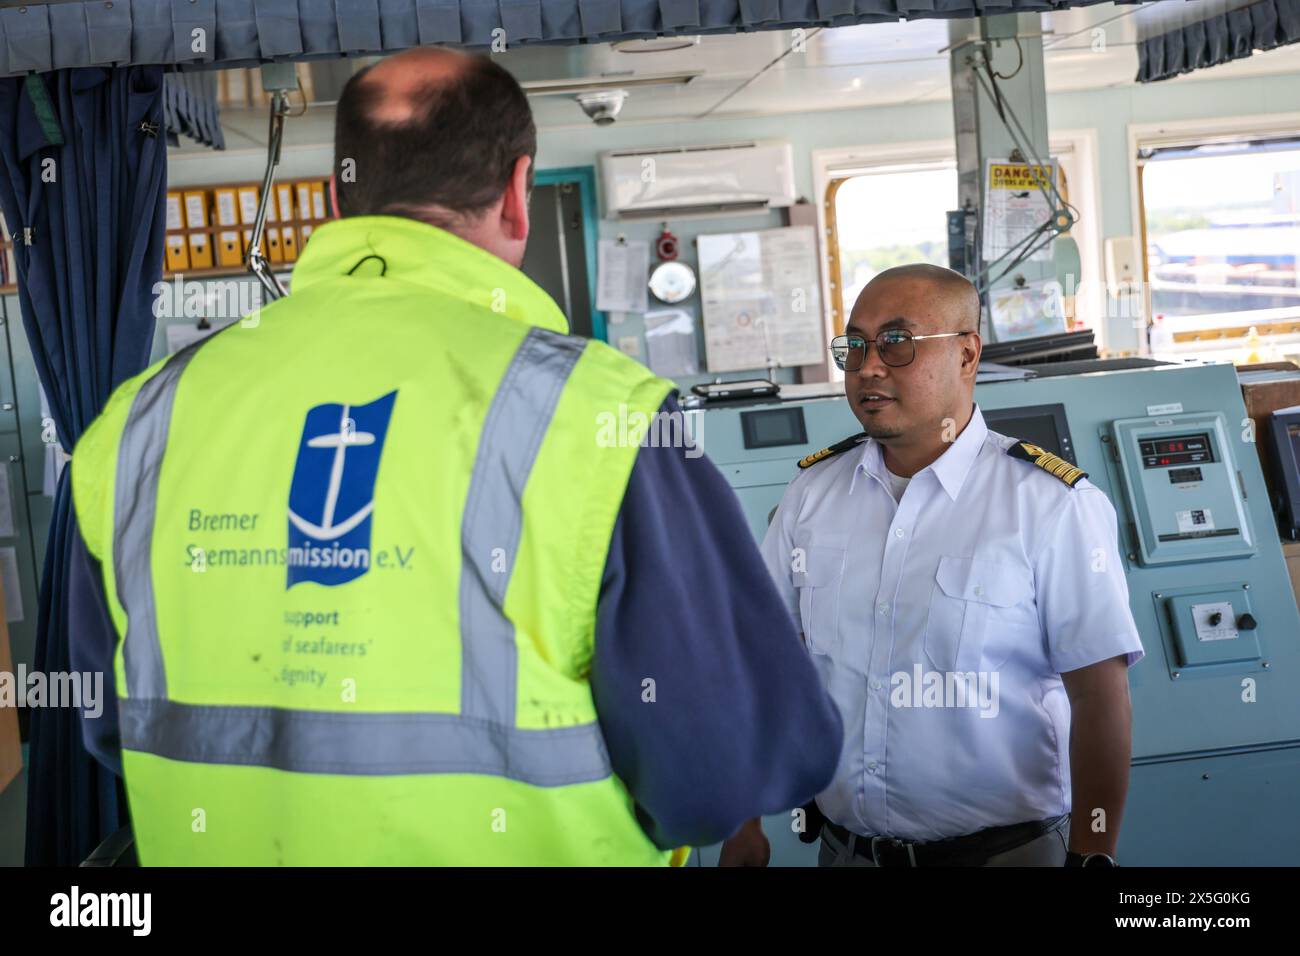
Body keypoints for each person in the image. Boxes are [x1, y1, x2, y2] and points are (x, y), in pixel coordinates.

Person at [66, 47, 841, 865]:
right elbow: (722, 772)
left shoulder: (137, 422)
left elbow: (114, 723)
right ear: (518, 191)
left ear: (338, 199)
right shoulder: (606, 417)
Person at [739, 263, 1143, 867]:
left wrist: (1092, 854)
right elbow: (765, 663)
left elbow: (1099, 697)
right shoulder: (811, 496)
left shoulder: (1050, 505)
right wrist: (744, 823)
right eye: (856, 346)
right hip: (844, 852)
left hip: (1001, 856)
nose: (869, 366)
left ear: (966, 354)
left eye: (898, 343)